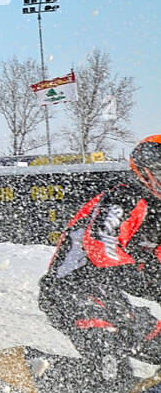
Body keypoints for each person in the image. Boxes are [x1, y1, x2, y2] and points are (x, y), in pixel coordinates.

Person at [39, 135, 161, 366]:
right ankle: (30, 377)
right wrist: (144, 280)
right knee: (110, 365)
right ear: (147, 171)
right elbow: (102, 246)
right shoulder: (123, 198)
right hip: (71, 290)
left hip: (109, 297)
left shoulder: (157, 214)